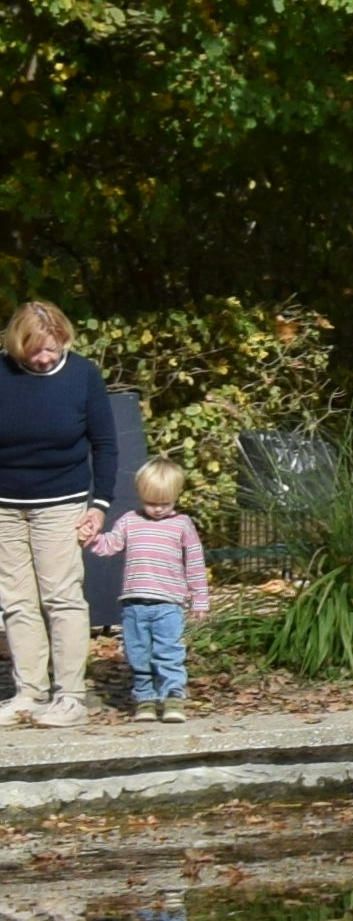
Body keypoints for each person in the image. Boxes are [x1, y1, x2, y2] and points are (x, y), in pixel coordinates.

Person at [0, 309, 119, 737]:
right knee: (17, 602)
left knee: (62, 598)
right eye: (35, 352)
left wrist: (99, 505)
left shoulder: (82, 375)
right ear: (18, 346)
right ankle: (28, 694)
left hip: (61, 503)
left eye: (52, 349)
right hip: (4, 507)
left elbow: (104, 444)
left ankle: (69, 695)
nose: (45, 359)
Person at [92, 475, 197, 719]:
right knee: (137, 653)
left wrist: (199, 598)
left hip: (169, 603)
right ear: (141, 496)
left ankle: (173, 697)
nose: (158, 509)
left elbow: (194, 562)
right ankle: (145, 698)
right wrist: (92, 537)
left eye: (166, 503)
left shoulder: (182, 524)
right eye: (151, 503)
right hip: (134, 602)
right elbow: (110, 545)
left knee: (168, 651)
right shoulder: (130, 521)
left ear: (176, 497)